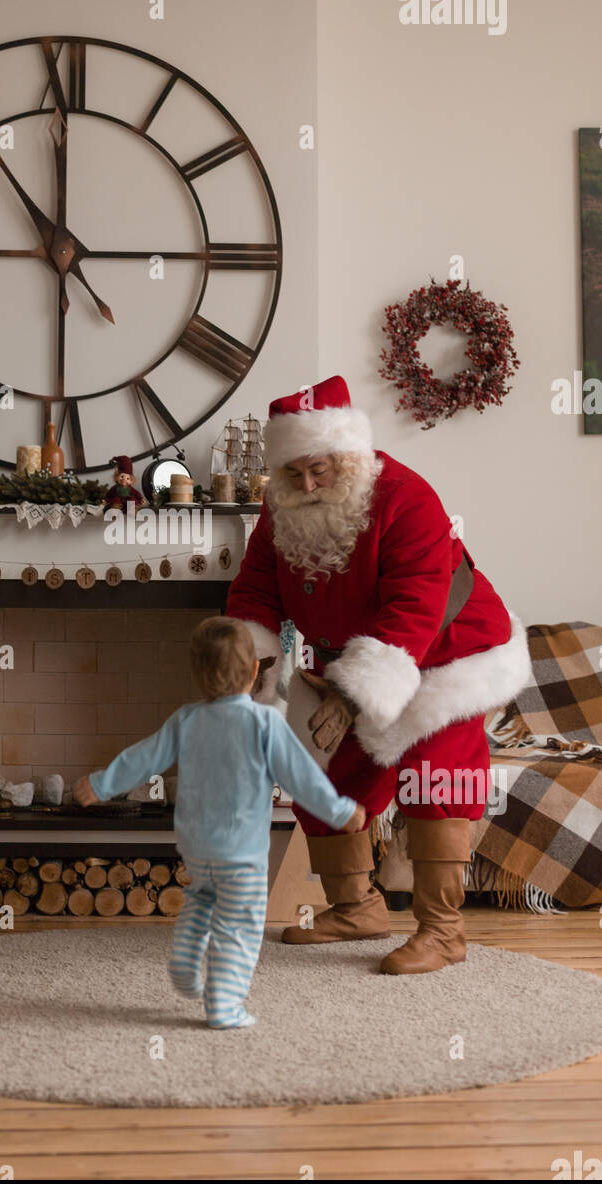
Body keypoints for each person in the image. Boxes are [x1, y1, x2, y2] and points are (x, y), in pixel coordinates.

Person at [226, 375, 531, 975]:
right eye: (295, 474)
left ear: (349, 456)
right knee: (320, 767)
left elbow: (418, 604)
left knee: (434, 778)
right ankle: (356, 908)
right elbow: (258, 587)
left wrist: (349, 692)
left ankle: (444, 932)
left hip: (447, 654)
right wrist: (248, 664)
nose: (309, 486)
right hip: (350, 662)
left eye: (321, 470)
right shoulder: (281, 507)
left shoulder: (406, 496)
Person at [73, 616, 364, 1029]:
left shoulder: (187, 720)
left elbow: (144, 756)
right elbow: (303, 777)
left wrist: (101, 784)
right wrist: (339, 811)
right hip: (241, 854)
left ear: (198, 676)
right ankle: (224, 1005)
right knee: (240, 926)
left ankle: (186, 961)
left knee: (203, 899)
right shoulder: (264, 723)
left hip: (196, 847)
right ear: (252, 672)